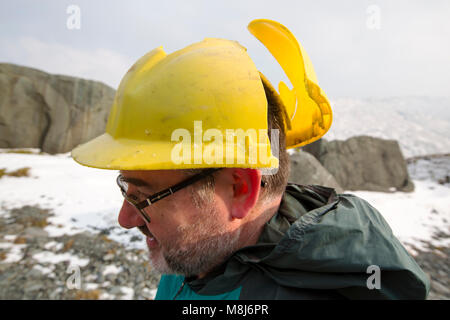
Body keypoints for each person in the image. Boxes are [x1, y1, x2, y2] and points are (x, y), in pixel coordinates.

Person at [72, 19, 430, 299]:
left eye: (143, 195)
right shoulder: (198, 252)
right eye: (126, 187)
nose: (125, 218)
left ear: (240, 189)